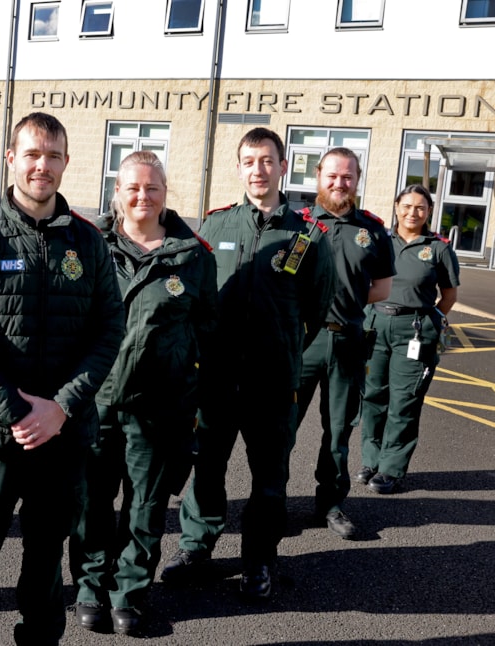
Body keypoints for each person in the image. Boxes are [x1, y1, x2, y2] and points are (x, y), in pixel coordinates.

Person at [0, 112, 125, 646]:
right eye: (32, 154)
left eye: (53, 155)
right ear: (11, 158)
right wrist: (19, 412)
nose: (42, 165)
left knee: (46, 563)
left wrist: (61, 407)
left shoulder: (88, 243)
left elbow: (110, 329)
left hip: (62, 436)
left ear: (67, 163)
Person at [160, 127, 335, 600]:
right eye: (249, 161)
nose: (257, 170)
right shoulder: (214, 228)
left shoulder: (309, 236)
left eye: (267, 160)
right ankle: (196, 548)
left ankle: (260, 559)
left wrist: (283, 347)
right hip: (215, 378)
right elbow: (195, 298)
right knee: (207, 469)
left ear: (282, 166)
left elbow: (318, 309)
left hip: (273, 382)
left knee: (270, 476)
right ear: (238, 168)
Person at [68, 151, 218, 635]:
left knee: (146, 506)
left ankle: (129, 592)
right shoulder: (87, 244)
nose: (142, 196)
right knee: (92, 503)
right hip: (96, 400)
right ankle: (90, 587)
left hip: (159, 407)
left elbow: (205, 331)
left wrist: (190, 400)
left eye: (152, 188)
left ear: (165, 194)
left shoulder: (193, 256)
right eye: (133, 187)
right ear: (116, 192)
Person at [293, 147, 396, 539]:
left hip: (348, 341)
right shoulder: (298, 223)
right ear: (319, 175)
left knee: (338, 432)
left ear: (357, 179)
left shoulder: (371, 229)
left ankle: (330, 504)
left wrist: (345, 302)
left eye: (348, 177)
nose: (340, 183)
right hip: (302, 342)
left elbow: (382, 288)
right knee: (282, 427)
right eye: (332, 175)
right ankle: (271, 501)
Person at [357, 185, 460, 494]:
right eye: (407, 206)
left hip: (414, 329)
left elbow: (450, 294)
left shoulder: (438, 248)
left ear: (428, 212)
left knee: (405, 400)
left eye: (420, 207)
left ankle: (391, 469)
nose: (412, 212)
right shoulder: (379, 241)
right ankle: (370, 460)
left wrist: (431, 320)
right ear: (396, 206)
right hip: (375, 325)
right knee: (373, 396)